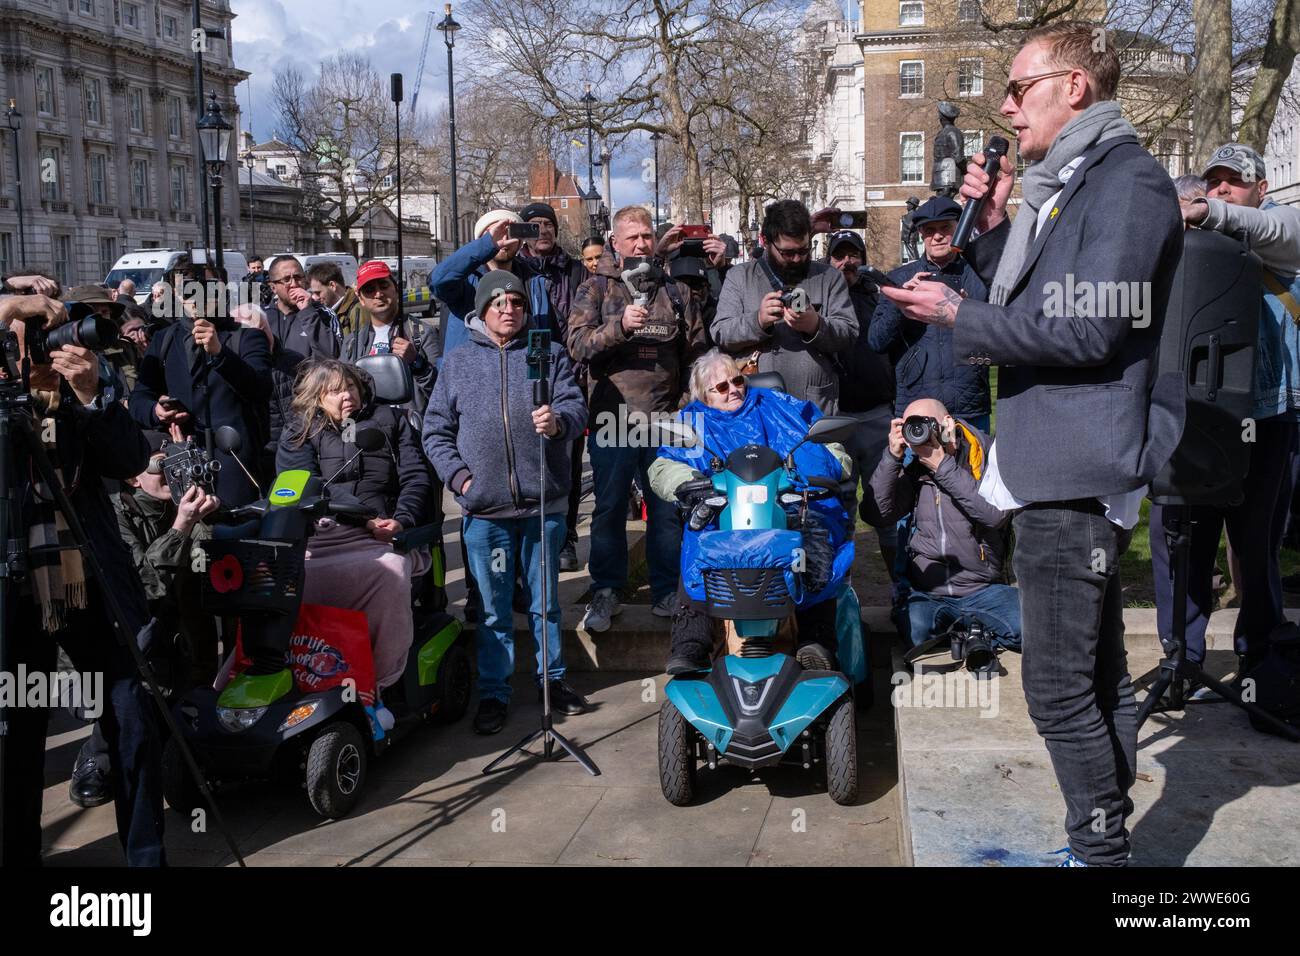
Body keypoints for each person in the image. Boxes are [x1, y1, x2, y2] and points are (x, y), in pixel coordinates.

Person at [880, 21, 1184, 867]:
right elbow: (1040, 292)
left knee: (1054, 691)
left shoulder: (1128, 184)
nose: (1007, 107)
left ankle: (1099, 852)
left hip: (1077, 466)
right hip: (1057, 461)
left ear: (1075, 85)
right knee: (1097, 678)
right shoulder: (1072, 183)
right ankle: (1104, 835)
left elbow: (1089, 328)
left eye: (1019, 88)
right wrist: (995, 218)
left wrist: (955, 315)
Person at [0, 292, 165, 866]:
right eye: (30, 332)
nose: (47, 342)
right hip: (17, 590)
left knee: (130, 716)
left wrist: (92, 395)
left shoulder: (80, 386)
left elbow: (128, 461)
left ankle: (145, 860)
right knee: (17, 737)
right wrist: (9, 309)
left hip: (86, 575)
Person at [1156, 143, 1300, 683]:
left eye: (1234, 182)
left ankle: (1262, 661)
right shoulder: (1190, 244)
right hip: (1193, 415)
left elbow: (1280, 232)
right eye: (1213, 182)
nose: (1220, 191)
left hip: (1267, 417)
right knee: (1182, 539)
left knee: (1255, 541)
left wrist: (1209, 213)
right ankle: (1182, 660)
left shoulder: (1280, 230)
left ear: (1260, 190)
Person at [423, 271, 589, 734]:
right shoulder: (456, 363)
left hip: (542, 508)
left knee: (545, 603)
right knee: (494, 610)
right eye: (498, 302)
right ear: (481, 310)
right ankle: (495, 693)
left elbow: (577, 409)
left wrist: (558, 422)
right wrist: (461, 480)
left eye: (516, 301)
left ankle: (551, 683)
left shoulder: (549, 353)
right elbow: (434, 431)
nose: (508, 309)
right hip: (486, 511)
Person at [648, 350, 854, 673]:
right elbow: (662, 466)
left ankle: (817, 642)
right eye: (721, 387)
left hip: (786, 508)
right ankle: (691, 645)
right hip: (725, 515)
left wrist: (819, 470)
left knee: (815, 541)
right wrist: (692, 483)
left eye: (737, 380)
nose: (734, 390)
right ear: (704, 396)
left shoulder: (776, 405)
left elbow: (828, 444)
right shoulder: (692, 422)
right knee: (697, 542)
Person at [567, 206, 708, 627]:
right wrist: (620, 327)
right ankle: (607, 589)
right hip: (613, 419)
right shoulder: (595, 289)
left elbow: (698, 353)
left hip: (668, 419)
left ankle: (666, 592)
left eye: (647, 236)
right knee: (609, 506)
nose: (642, 244)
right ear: (615, 242)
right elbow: (577, 346)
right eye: (632, 238)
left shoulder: (677, 292)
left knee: (667, 508)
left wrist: (685, 405)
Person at [70, 429, 222, 809]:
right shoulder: (115, 513)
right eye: (160, 466)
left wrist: (204, 520)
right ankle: (96, 756)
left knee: (172, 723)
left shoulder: (181, 502)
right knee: (131, 705)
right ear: (132, 477)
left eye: (175, 464)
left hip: (179, 642)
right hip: (129, 636)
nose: (170, 474)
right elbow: (142, 586)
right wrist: (181, 527)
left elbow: (209, 576)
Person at [277, 359, 432, 723]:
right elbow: (296, 489)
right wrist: (353, 514)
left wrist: (401, 520)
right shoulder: (300, 431)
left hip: (381, 537)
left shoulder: (392, 421)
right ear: (316, 398)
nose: (347, 395)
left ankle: (374, 683)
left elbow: (416, 479)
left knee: (392, 570)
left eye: (352, 387)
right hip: (322, 535)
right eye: (335, 390)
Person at [861, 398, 1020, 651]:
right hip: (928, 592)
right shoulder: (914, 466)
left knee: (1026, 628)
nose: (918, 433)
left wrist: (942, 467)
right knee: (915, 633)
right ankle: (970, 631)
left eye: (924, 424)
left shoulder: (985, 453)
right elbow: (876, 515)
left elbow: (995, 515)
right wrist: (892, 457)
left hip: (982, 588)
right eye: (909, 425)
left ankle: (965, 629)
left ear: (947, 424)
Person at [128, 279, 273, 507]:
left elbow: (261, 389)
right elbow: (139, 398)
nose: (196, 297)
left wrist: (220, 353)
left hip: (234, 463)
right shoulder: (163, 339)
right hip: (180, 460)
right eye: (187, 290)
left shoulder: (246, 336)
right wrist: (156, 411)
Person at [710, 199, 858, 414]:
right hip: (755, 406)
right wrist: (758, 321)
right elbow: (720, 332)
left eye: (804, 250)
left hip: (814, 405)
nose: (797, 258)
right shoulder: (739, 277)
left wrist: (815, 325)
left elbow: (850, 333)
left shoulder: (829, 277)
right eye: (788, 253)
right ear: (766, 242)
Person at [868, 196, 991, 431]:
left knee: (973, 468)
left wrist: (969, 313)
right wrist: (901, 301)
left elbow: (998, 339)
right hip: (916, 406)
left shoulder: (978, 277)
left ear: (958, 229)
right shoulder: (899, 279)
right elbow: (877, 341)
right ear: (921, 235)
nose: (937, 236)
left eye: (945, 228)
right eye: (930, 230)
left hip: (969, 406)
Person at [516, 202, 592, 571]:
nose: (542, 231)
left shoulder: (576, 271)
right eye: (533, 225)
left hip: (567, 377)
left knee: (567, 464)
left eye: (548, 224)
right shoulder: (515, 268)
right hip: (524, 377)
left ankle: (566, 537)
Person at [824, 230, 899, 576]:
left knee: (887, 503)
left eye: (853, 254)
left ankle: (901, 590)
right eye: (839, 255)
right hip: (835, 418)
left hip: (877, 414)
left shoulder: (878, 294)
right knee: (838, 508)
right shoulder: (820, 297)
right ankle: (842, 597)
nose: (846, 262)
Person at [263, 254, 341, 476]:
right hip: (271, 421)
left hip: (309, 417)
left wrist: (308, 311)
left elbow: (331, 358)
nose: (293, 284)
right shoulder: (261, 317)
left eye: (298, 277)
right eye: (285, 279)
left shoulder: (322, 314)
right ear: (273, 286)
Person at [341, 261, 438, 416]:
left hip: (411, 430)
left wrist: (417, 363)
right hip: (370, 430)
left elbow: (440, 391)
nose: (378, 294)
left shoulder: (422, 333)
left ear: (396, 289)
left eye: (384, 286)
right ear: (361, 299)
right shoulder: (352, 342)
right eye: (370, 290)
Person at [308, 261, 365, 338]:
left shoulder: (358, 310)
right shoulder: (324, 311)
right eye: (312, 293)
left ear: (332, 285)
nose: (314, 297)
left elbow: (361, 346)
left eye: (318, 293)